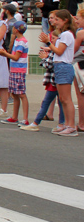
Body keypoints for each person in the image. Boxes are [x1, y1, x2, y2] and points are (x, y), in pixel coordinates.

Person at [46, 9, 79, 137]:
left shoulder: (66, 34)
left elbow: (59, 51)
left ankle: (71, 126)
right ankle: (67, 124)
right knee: (62, 98)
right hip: (60, 66)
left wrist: (49, 43)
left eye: (57, 20)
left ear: (65, 20)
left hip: (64, 66)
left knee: (66, 99)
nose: (55, 22)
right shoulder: (64, 34)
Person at [0, 21, 29, 125]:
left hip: (19, 70)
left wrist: (4, 54)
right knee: (15, 94)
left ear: (16, 29)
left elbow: (16, 57)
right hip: (14, 70)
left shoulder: (21, 42)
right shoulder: (18, 41)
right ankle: (15, 116)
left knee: (21, 94)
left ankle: (25, 118)